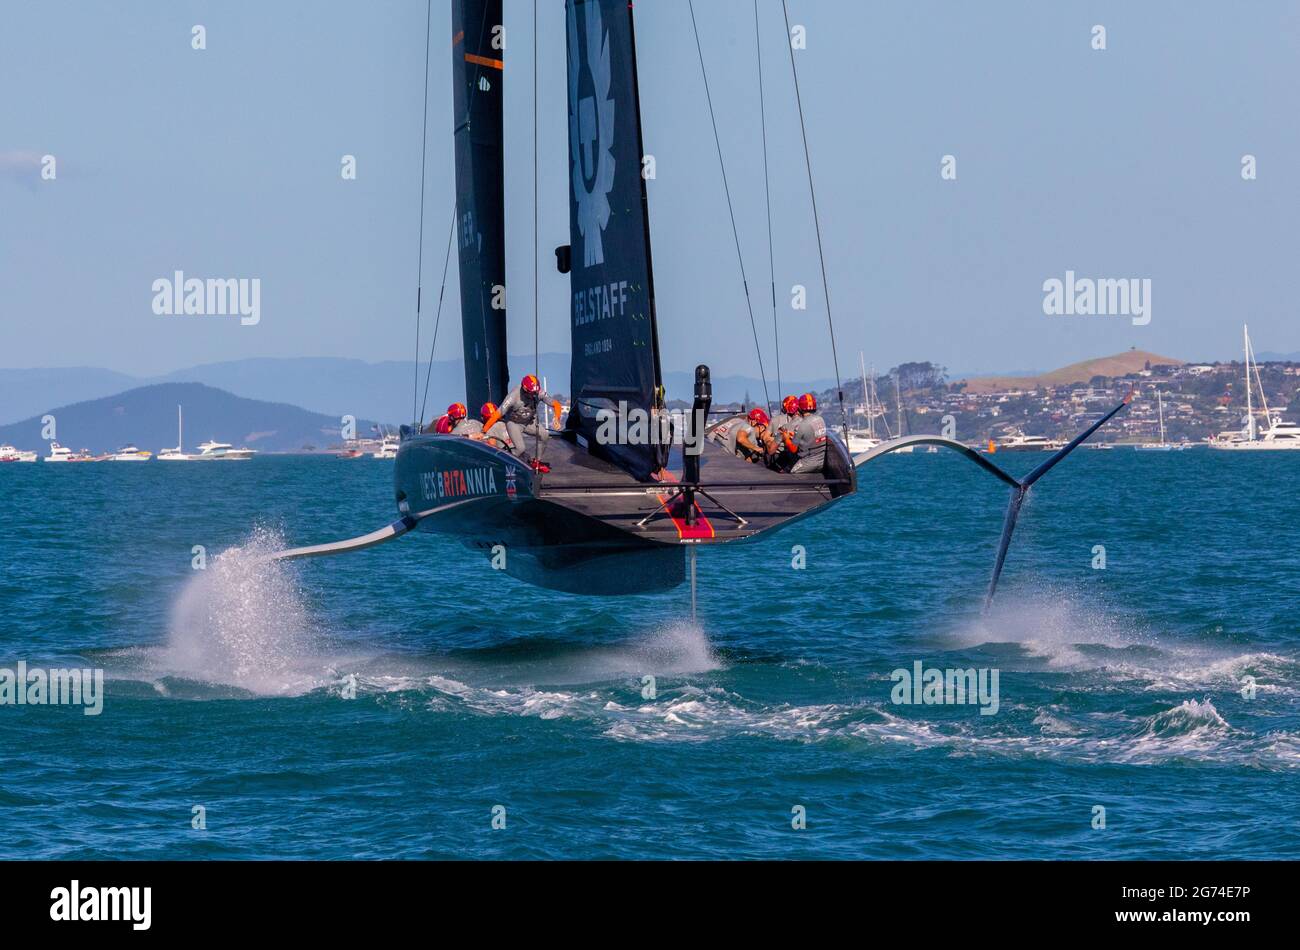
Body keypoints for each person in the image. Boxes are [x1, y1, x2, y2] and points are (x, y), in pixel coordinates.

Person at [481, 374, 563, 466]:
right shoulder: (513, 396)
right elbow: (498, 413)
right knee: (520, 448)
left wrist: (557, 418)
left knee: (544, 435)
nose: (533, 395)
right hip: (514, 423)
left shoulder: (539, 392)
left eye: (535, 393)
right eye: (530, 393)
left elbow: (556, 405)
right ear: (524, 389)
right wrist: (484, 430)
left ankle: (536, 461)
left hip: (529, 422)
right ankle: (504, 462)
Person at [789, 392, 827, 474]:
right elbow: (811, 436)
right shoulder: (821, 419)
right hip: (822, 462)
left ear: (799, 408)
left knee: (791, 472)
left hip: (808, 463)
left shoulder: (801, 426)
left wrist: (785, 438)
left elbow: (793, 449)